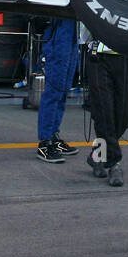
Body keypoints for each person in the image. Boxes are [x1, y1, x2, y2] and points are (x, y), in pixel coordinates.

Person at [80, 27, 128, 187]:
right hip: (98, 56)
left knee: (124, 117)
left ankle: (97, 155)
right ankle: (114, 164)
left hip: (127, 54)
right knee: (103, 112)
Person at [34, 18, 81, 163]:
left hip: (72, 31)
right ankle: (44, 143)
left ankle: (53, 136)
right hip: (59, 32)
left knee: (64, 90)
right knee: (54, 91)